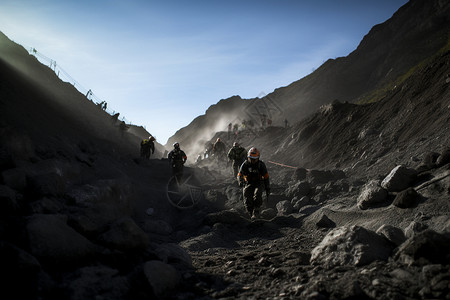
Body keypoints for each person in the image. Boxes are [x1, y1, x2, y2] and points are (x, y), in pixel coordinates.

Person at [237, 147, 270, 220]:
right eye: (251, 158)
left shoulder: (261, 165)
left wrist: (267, 187)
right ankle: (250, 213)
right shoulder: (245, 164)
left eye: (255, 159)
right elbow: (239, 175)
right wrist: (240, 181)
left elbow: (266, 177)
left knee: (258, 193)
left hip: (259, 182)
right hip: (248, 183)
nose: (253, 160)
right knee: (246, 195)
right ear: (248, 157)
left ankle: (256, 211)